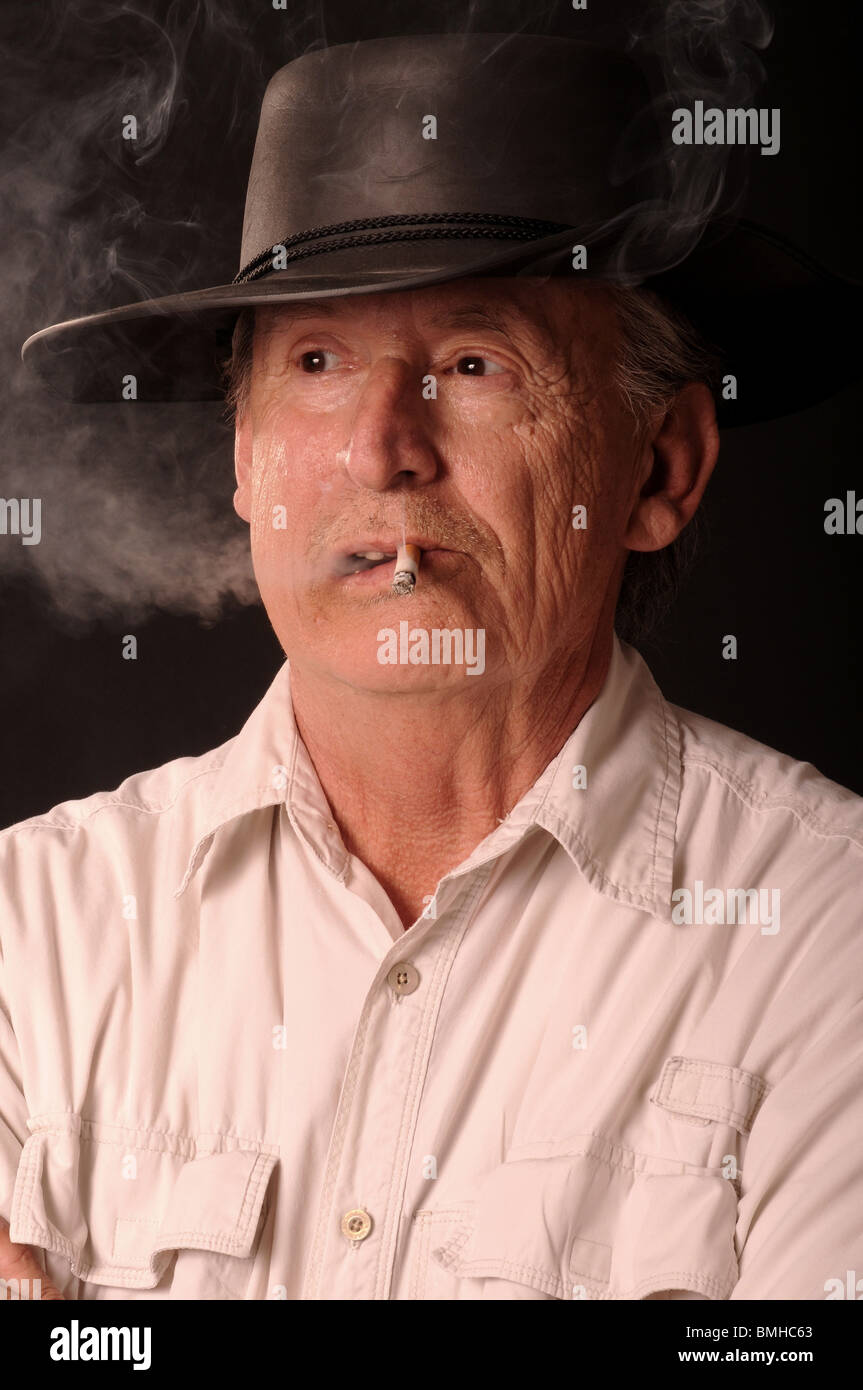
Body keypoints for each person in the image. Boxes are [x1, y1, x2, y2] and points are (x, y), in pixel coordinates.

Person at [2, 32, 861, 1302]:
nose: (378, 447)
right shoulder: (34, 934)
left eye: (473, 363)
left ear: (659, 468)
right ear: (243, 459)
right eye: (314, 362)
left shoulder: (825, 938)